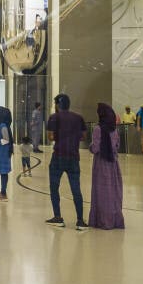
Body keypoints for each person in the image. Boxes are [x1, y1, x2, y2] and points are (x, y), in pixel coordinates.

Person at [45, 94, 88, 230]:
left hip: (58, 157)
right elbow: (83, 136)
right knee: (76, 189)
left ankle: (58, 217)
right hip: (74, 157)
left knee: (54, 187)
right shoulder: (79, 118)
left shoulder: (54, 117)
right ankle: (80, 221)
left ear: (58, 105)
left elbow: (50, 136)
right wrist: (72, 137)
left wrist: (60, 136)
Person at [88, 103, 125, 230]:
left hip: (101, 163)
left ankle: (103, 220)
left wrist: (90, 147)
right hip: (113, 164)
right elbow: (117, 146)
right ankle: (114, 220)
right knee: (113, 191)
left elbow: (95, 148)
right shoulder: (114, 129)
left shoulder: (98, 129)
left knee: (102, 191)